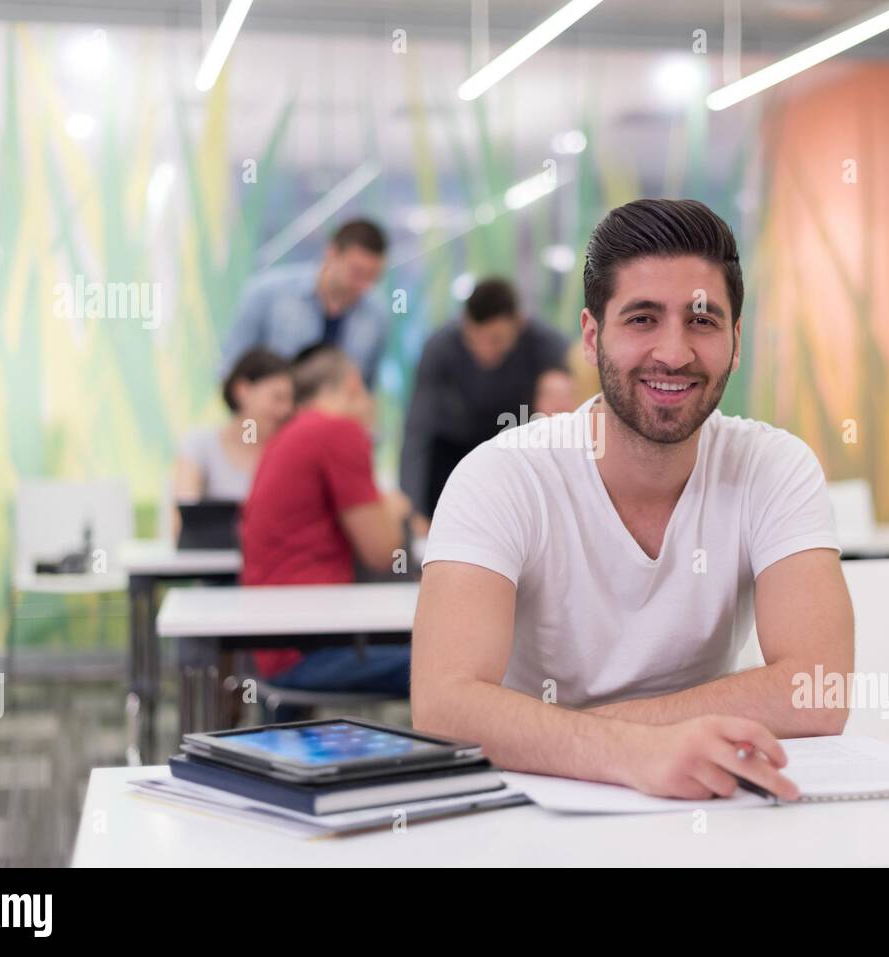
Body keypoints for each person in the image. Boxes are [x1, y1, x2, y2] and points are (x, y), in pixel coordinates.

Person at [410, 199, 855, 800]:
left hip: (706, 801)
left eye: (702, 320)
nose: (673, 352)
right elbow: (442, 708)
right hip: (529, 813)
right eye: (643, 319)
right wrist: (633, 752)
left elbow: (819, 688)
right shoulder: (502, 476)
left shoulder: (773, 466)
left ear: (735, 338)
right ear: (592, 337)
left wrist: (585, 735)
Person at [239, 347, 413, 695]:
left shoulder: (289, 435)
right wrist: (393, 510)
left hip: (277, 646)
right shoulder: (337, 432)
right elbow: (383, 552)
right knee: (465, 664)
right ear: (352, 386)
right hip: (312, 650)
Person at [399, 278, 571, 525]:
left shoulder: (548, 346)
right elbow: (418, 430)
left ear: (518, 323)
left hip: (520, 450)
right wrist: (413, 508)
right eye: (474, 340)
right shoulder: (440, 347)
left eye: (496, 340)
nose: (484, 351)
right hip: (455, 451)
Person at [220, 219, 390, 389]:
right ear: (331, 254)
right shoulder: (267, 293)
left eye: (373, 277)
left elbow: (367, 387)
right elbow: (231, 368)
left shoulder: (376, 316)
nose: (364, 285)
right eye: (357, 273)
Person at [174, 349, 294, 507]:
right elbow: (185, 512)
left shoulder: (288, 452)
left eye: (290, 401)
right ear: (242, 390)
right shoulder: (200, 443)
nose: (285, 410)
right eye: (277, 398)